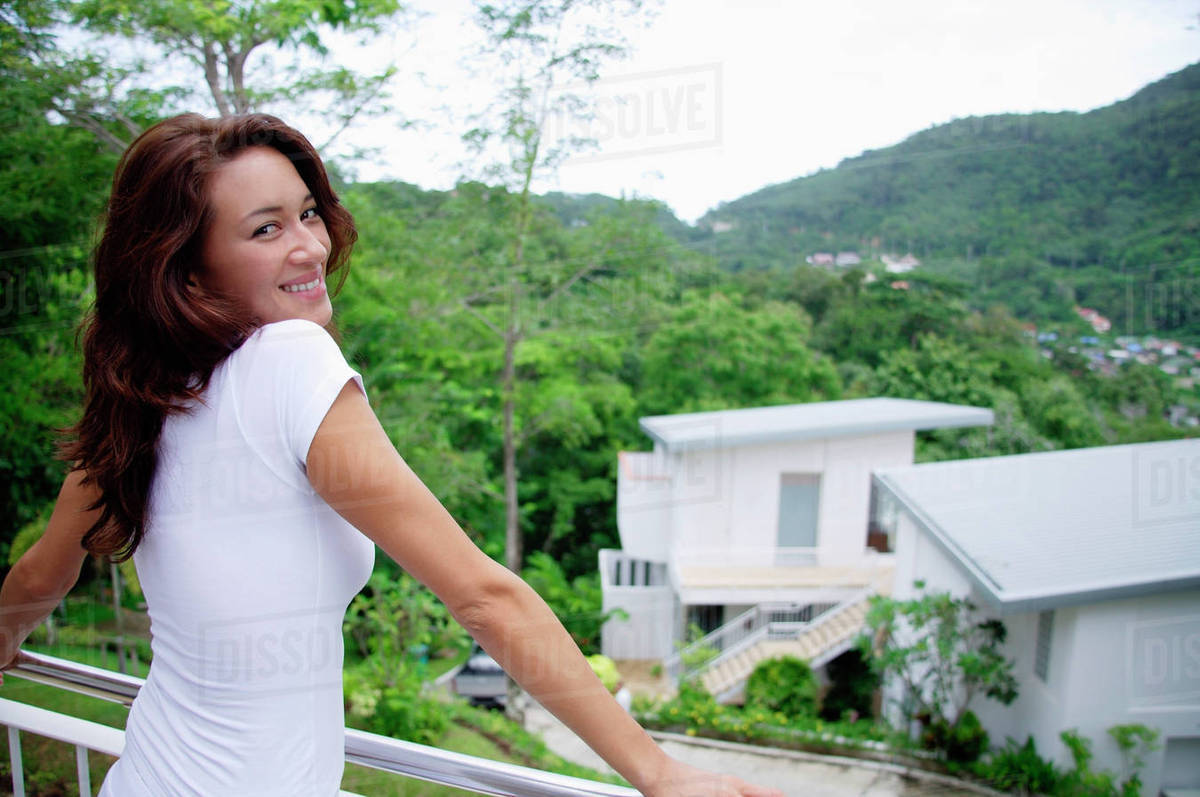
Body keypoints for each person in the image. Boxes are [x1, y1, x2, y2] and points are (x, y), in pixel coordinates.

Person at [0, 113, 783, 797]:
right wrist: (657, 771)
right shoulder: (288, 361)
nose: (310, 247)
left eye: (308, 213)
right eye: (265, 229)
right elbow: (483, 597)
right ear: (188, 269)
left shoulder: (141, 402)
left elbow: (39, 577)